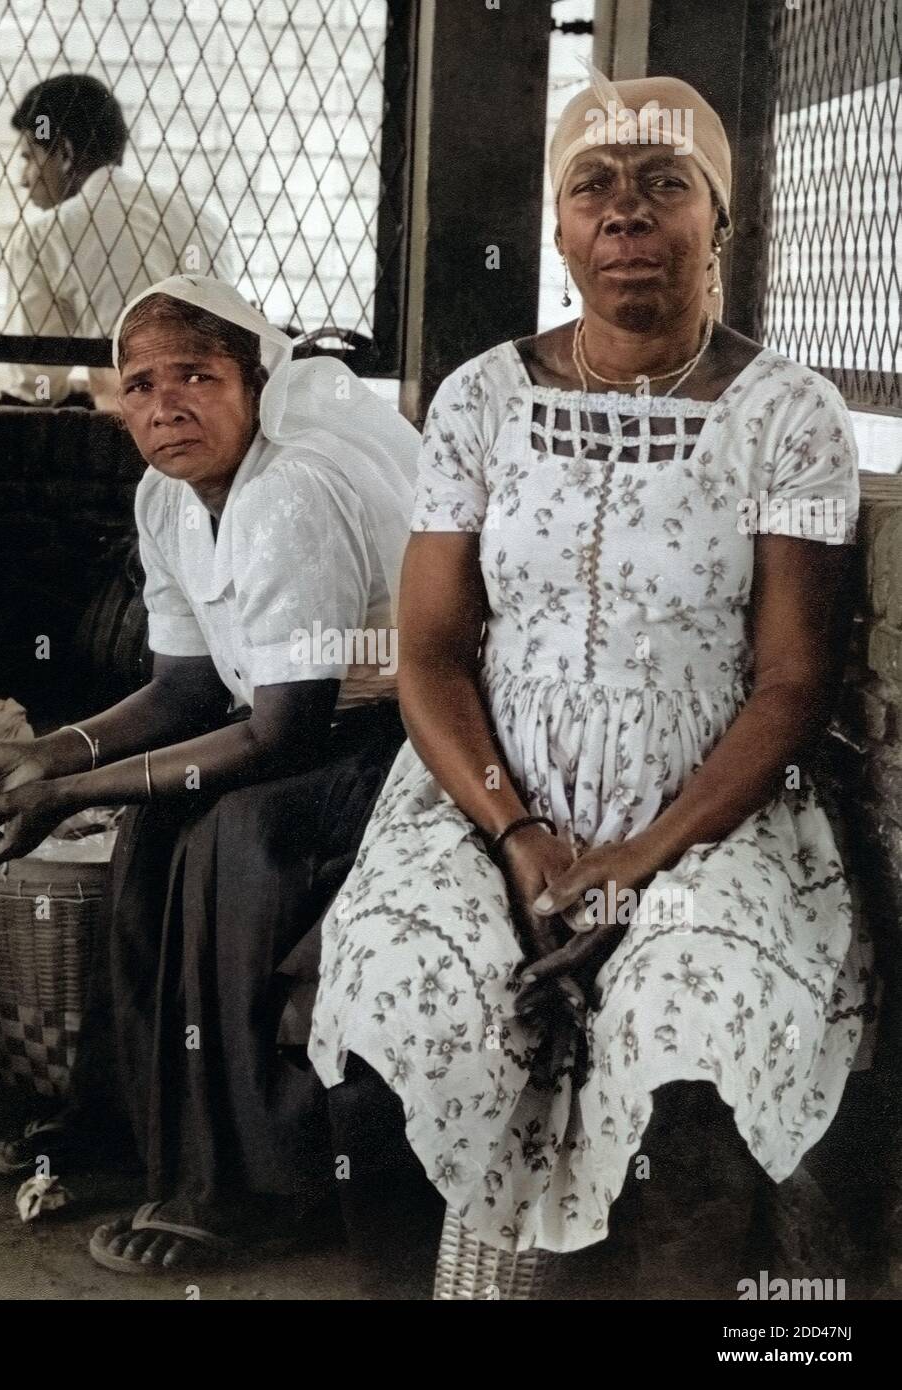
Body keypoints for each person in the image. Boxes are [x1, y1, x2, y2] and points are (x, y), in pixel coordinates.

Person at [308, 71, 874, 1299]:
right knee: (391, 1007)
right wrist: (518, 835)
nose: (627, 212)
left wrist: (639, 859)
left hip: (713, 809)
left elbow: (792, 682)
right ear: (560, 230)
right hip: (485, 795)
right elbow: (431, 653)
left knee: (696, 1034)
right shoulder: (479, 399)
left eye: (666, 182)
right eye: (593, 187)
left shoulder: (792, 415)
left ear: (721, 222)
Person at [0, 275, 420, 1271]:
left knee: (238, 837)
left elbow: (281, 736)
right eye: (142, 384)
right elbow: (187, 689)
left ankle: (250, 1186)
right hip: (292, 730)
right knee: (152, 829)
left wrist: (66, 796)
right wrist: (51, 754)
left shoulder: (290, 491)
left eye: (198, 375)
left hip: (397, 743)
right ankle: (133, 1124)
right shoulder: (169, 500)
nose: (167, 405)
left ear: (257, 387)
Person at [2, 75, 237, 410]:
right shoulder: (202, 218)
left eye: (29, 158)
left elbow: (38, 384)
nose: (23, 180)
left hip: (129, 426)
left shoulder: (45, 236)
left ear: (65, 153)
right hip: (218, 418)